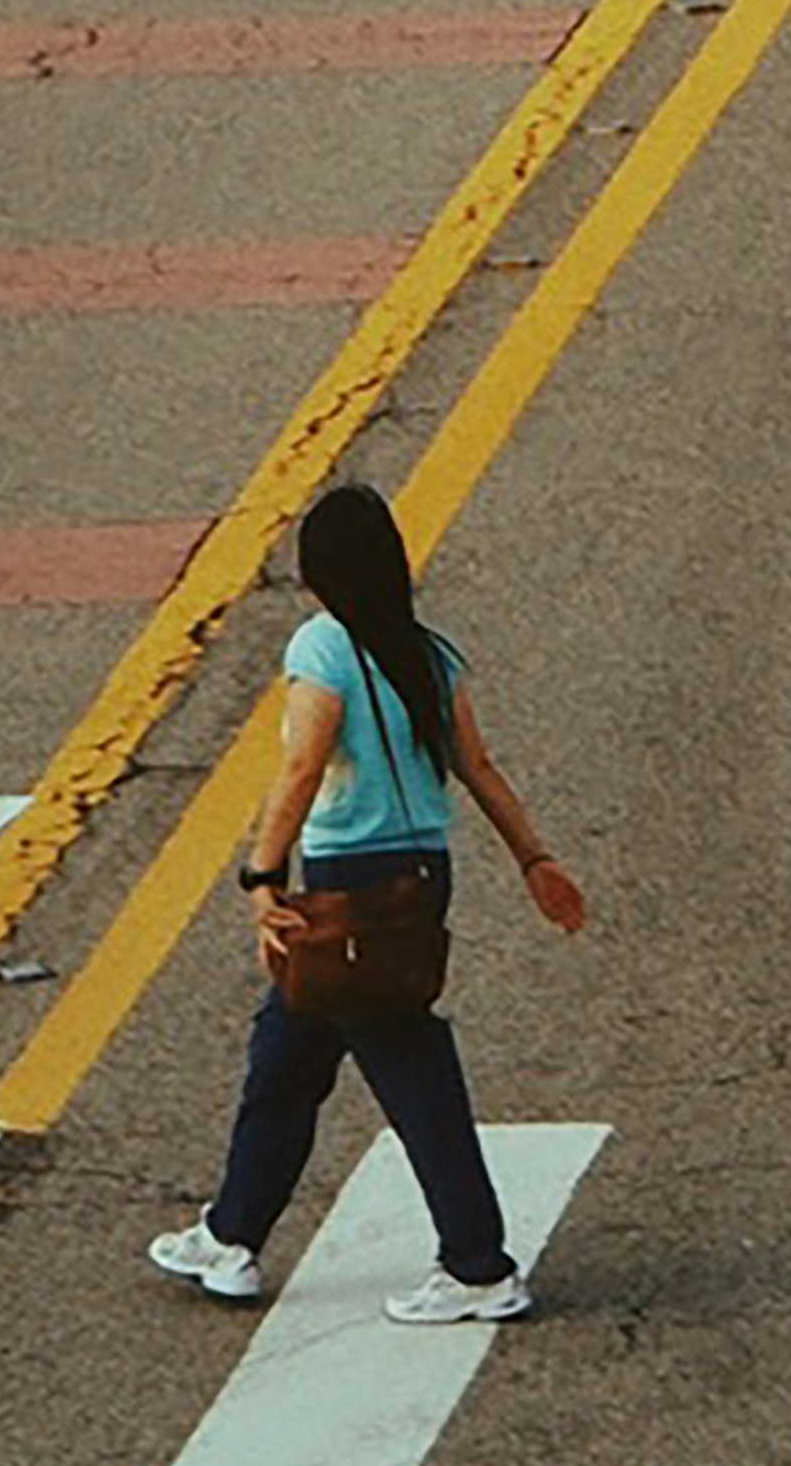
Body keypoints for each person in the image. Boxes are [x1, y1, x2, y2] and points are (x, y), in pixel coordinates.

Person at [145, 476, 585, 1327]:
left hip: (349, 892)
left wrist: (261, 873)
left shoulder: (323, 648)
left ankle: (478, 1266)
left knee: (408, 1070)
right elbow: (477, 768)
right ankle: (230, 1237)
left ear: (320, 575)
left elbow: (303, 766)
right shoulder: (429, 652)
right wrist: (534, 857)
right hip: (420, 877)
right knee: (284, 1055)